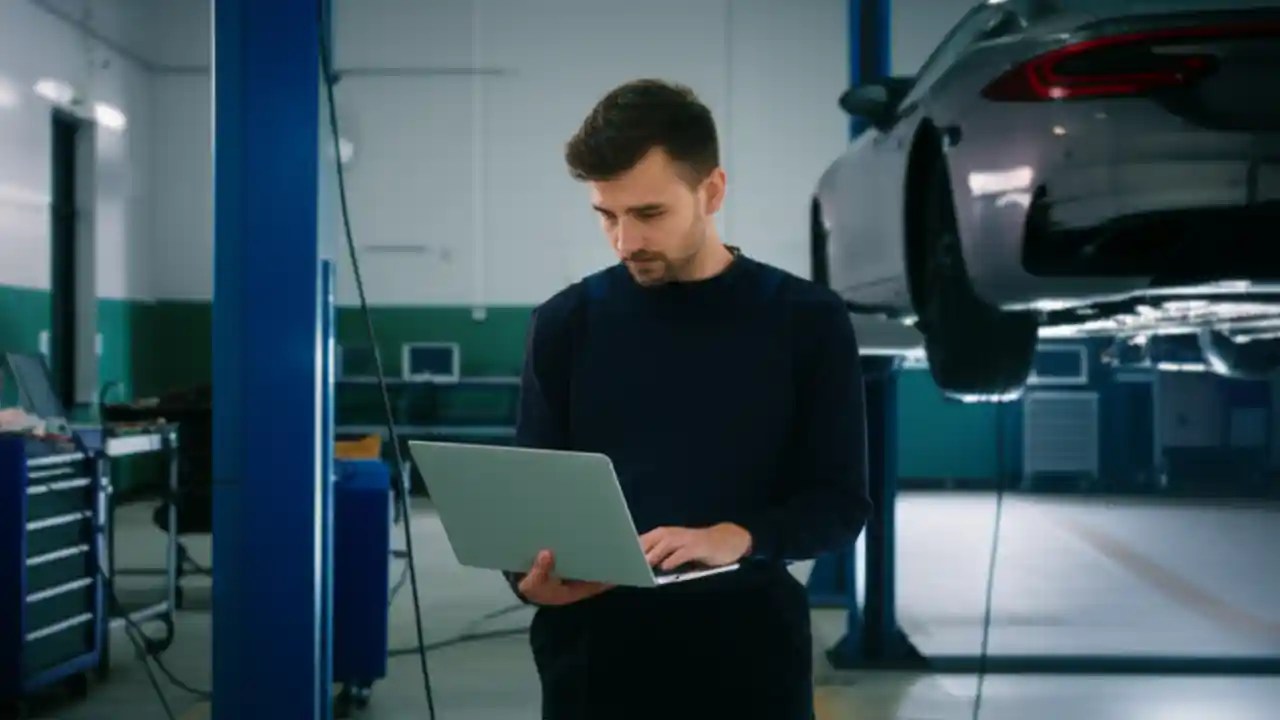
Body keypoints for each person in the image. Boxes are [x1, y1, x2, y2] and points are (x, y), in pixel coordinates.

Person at [504, 78, 872, 720]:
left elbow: (839, 505)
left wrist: (739, 535)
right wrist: (528, 579)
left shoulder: (805, 321)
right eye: (607, 215)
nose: (625, 242)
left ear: (712, 191)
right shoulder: (566, 323)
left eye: (648, 214)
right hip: (594, 658)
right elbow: (531, 502)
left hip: (746, 656)